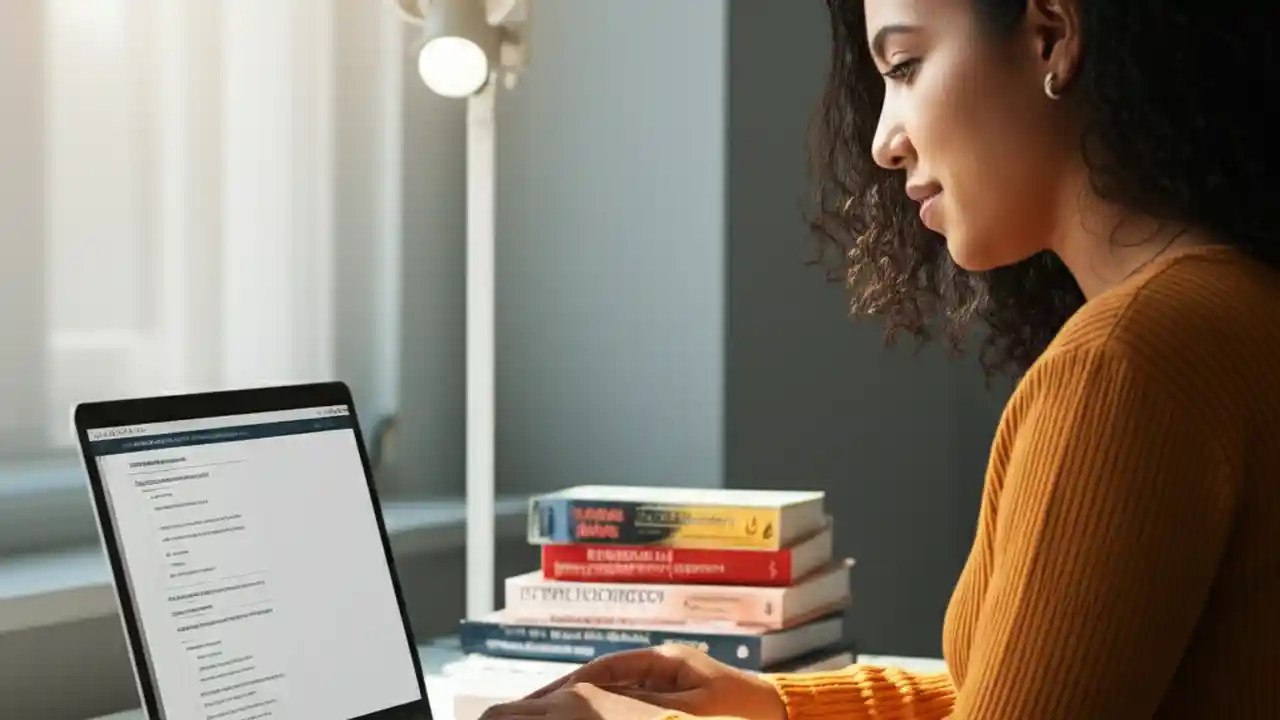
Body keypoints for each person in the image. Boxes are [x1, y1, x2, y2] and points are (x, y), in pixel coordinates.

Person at [480, 0, 1278, 717]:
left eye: (905, 65)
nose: (883, 142)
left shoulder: (1125, 366)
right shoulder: (1232, 310)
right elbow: (1010, 687)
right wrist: (771, 707)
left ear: (1050, 35)